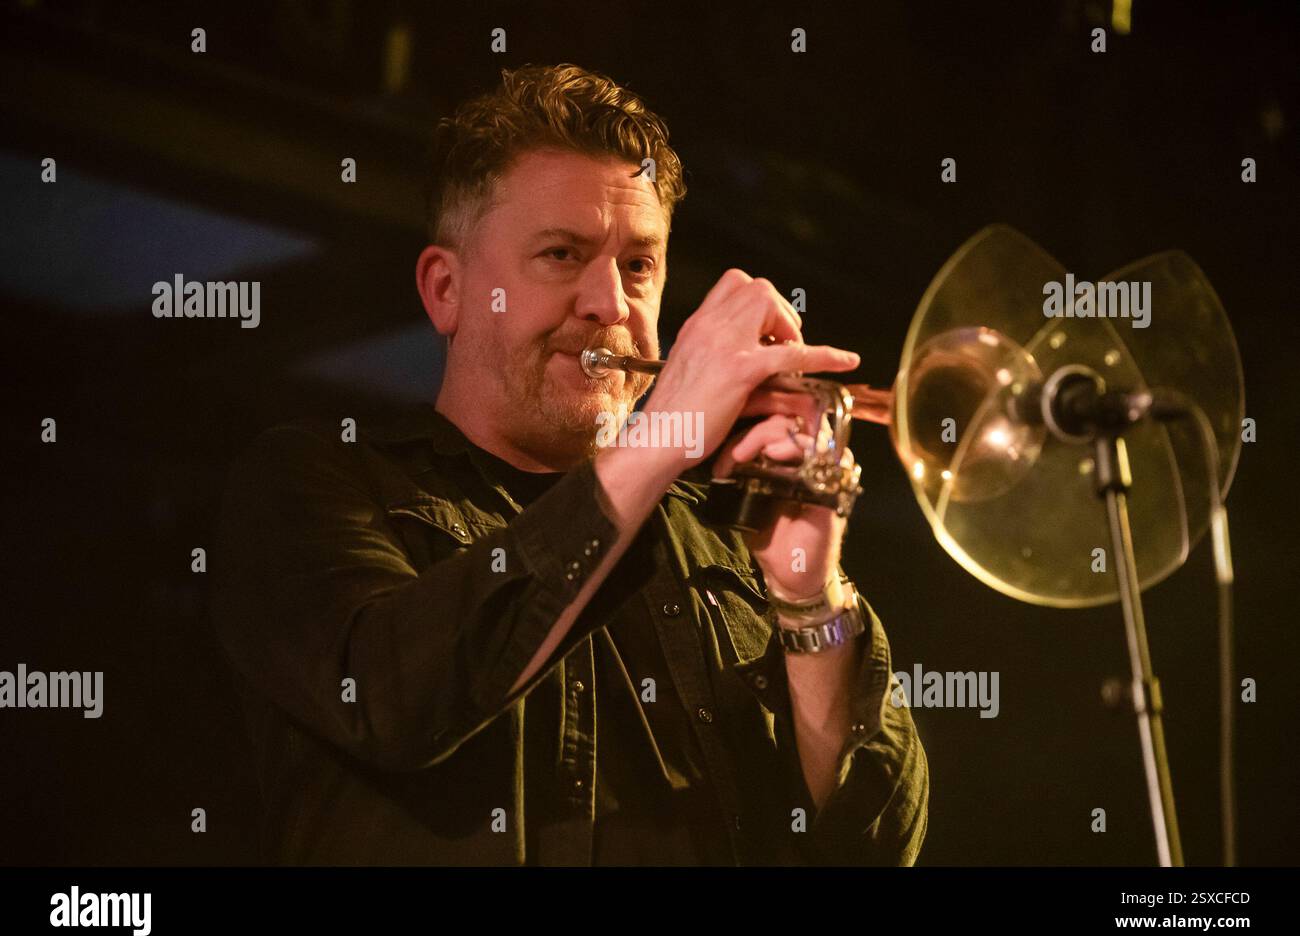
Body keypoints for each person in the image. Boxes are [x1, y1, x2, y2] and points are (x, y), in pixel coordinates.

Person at [211, 62, 927, 866]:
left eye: (639, 265)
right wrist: (663, 440)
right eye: (560, 254)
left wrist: (808, 600)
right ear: (447, 290)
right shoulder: (314, 483)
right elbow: (389, 699)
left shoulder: (724, 546)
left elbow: (871, 845)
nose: (612, 306)